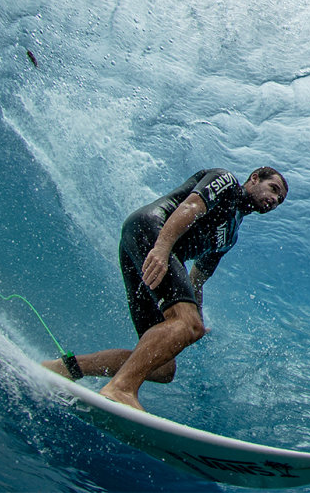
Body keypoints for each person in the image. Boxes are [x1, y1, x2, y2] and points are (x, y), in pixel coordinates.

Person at [42, 166, 288, 410]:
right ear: (254, 178)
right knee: (185, 323)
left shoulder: (230, 236)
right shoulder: (226, 181)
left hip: (151, 249)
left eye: (280, 200)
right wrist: (162, 248)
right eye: (273, 189)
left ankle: (65, 368)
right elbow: (190, 207)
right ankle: (121, 389)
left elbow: (196, 281)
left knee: (162, 368)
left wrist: (196, 323)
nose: (275, 200)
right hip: (152, 232)